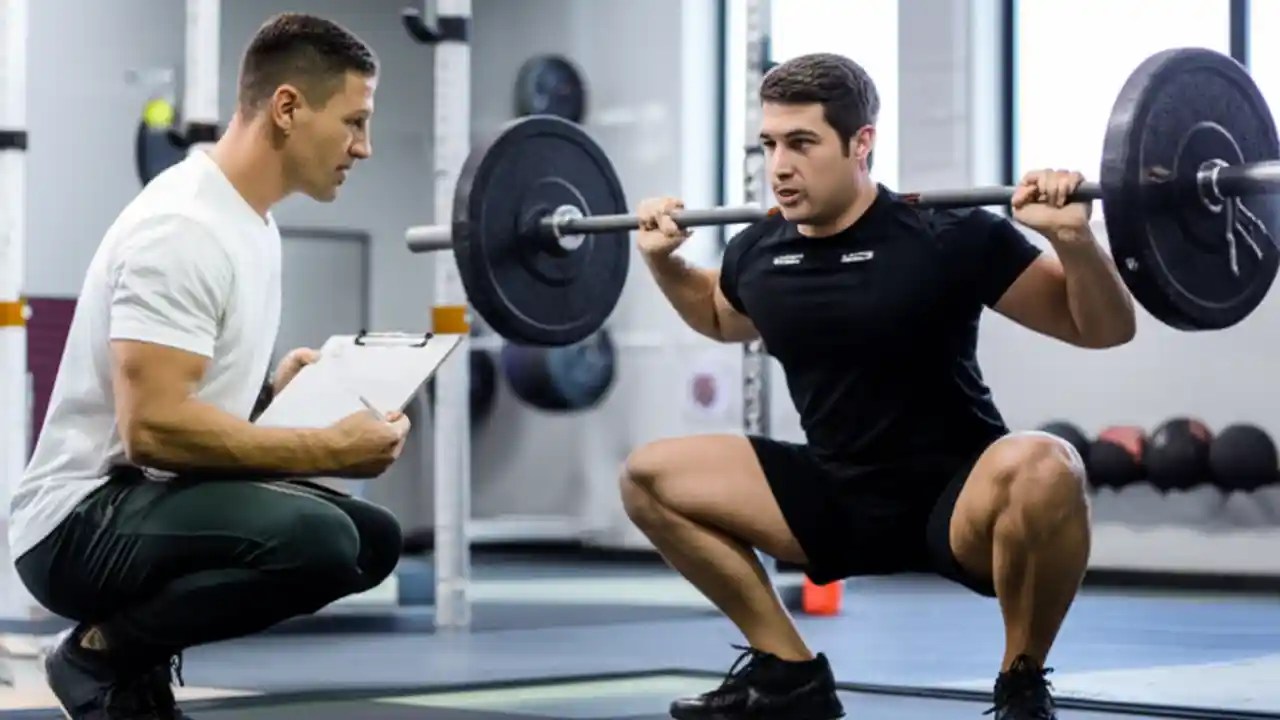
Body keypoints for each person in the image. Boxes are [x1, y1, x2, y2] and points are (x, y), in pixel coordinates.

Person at [622, 52, 1136, 720]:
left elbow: (1099, 328)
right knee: (649, 476)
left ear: (861, 143)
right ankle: (790, 675)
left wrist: (1074, 242)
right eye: (769, 144)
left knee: (1048, 463)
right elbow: (722, 319)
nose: (778, 166)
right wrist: (666, 264)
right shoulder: (758, 249)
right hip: (836, 494)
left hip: (957, 505)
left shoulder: (947, 237)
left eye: (802, 143)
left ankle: (1021, 681)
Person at [11, 13, 411, 720]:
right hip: (77, 521)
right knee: (319, 541)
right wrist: (326, 449)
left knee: (371, 541)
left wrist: (270, 393)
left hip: (151, 494)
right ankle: (99, 656)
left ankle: (128, 671)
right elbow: (155, 432)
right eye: (354, 122)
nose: (365, 147)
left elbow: (193, 402)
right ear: (288, 108)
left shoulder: (253, 222)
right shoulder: (184, 227)